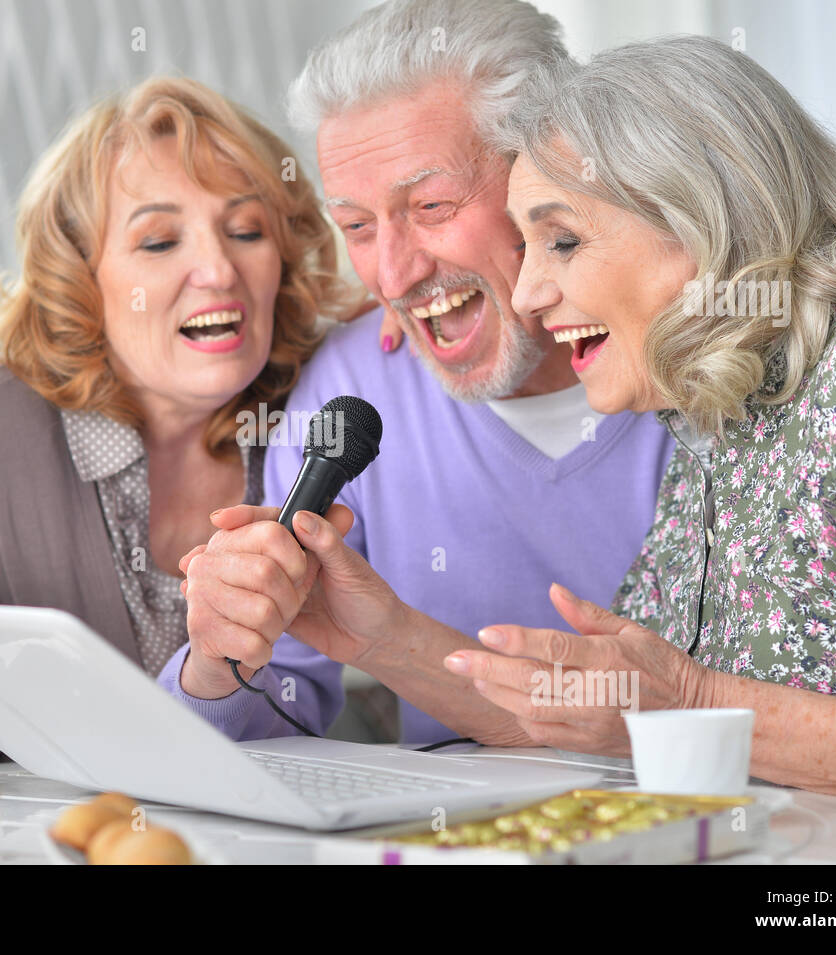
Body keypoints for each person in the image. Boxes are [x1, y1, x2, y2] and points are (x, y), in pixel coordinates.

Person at [186, 34, 836, 816]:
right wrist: (380, 638)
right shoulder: (713, 418)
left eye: (564, 240)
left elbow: (671, 707)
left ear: (700, 218)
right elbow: (603, 715)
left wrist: (690, 699)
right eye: (358, 225)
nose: (528, 293)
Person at [161, 0, 676, 743]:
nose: (394, 273)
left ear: (551, 169)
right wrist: (217, 660)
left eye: (432, 205)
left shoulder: (699, 363)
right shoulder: (353, 396)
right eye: (359, 228)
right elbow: (277, 705)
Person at [0, 75, 358, 702]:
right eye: (159, 241)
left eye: (246, 230)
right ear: (80, 276)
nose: (219, 270)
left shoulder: (322, 412)